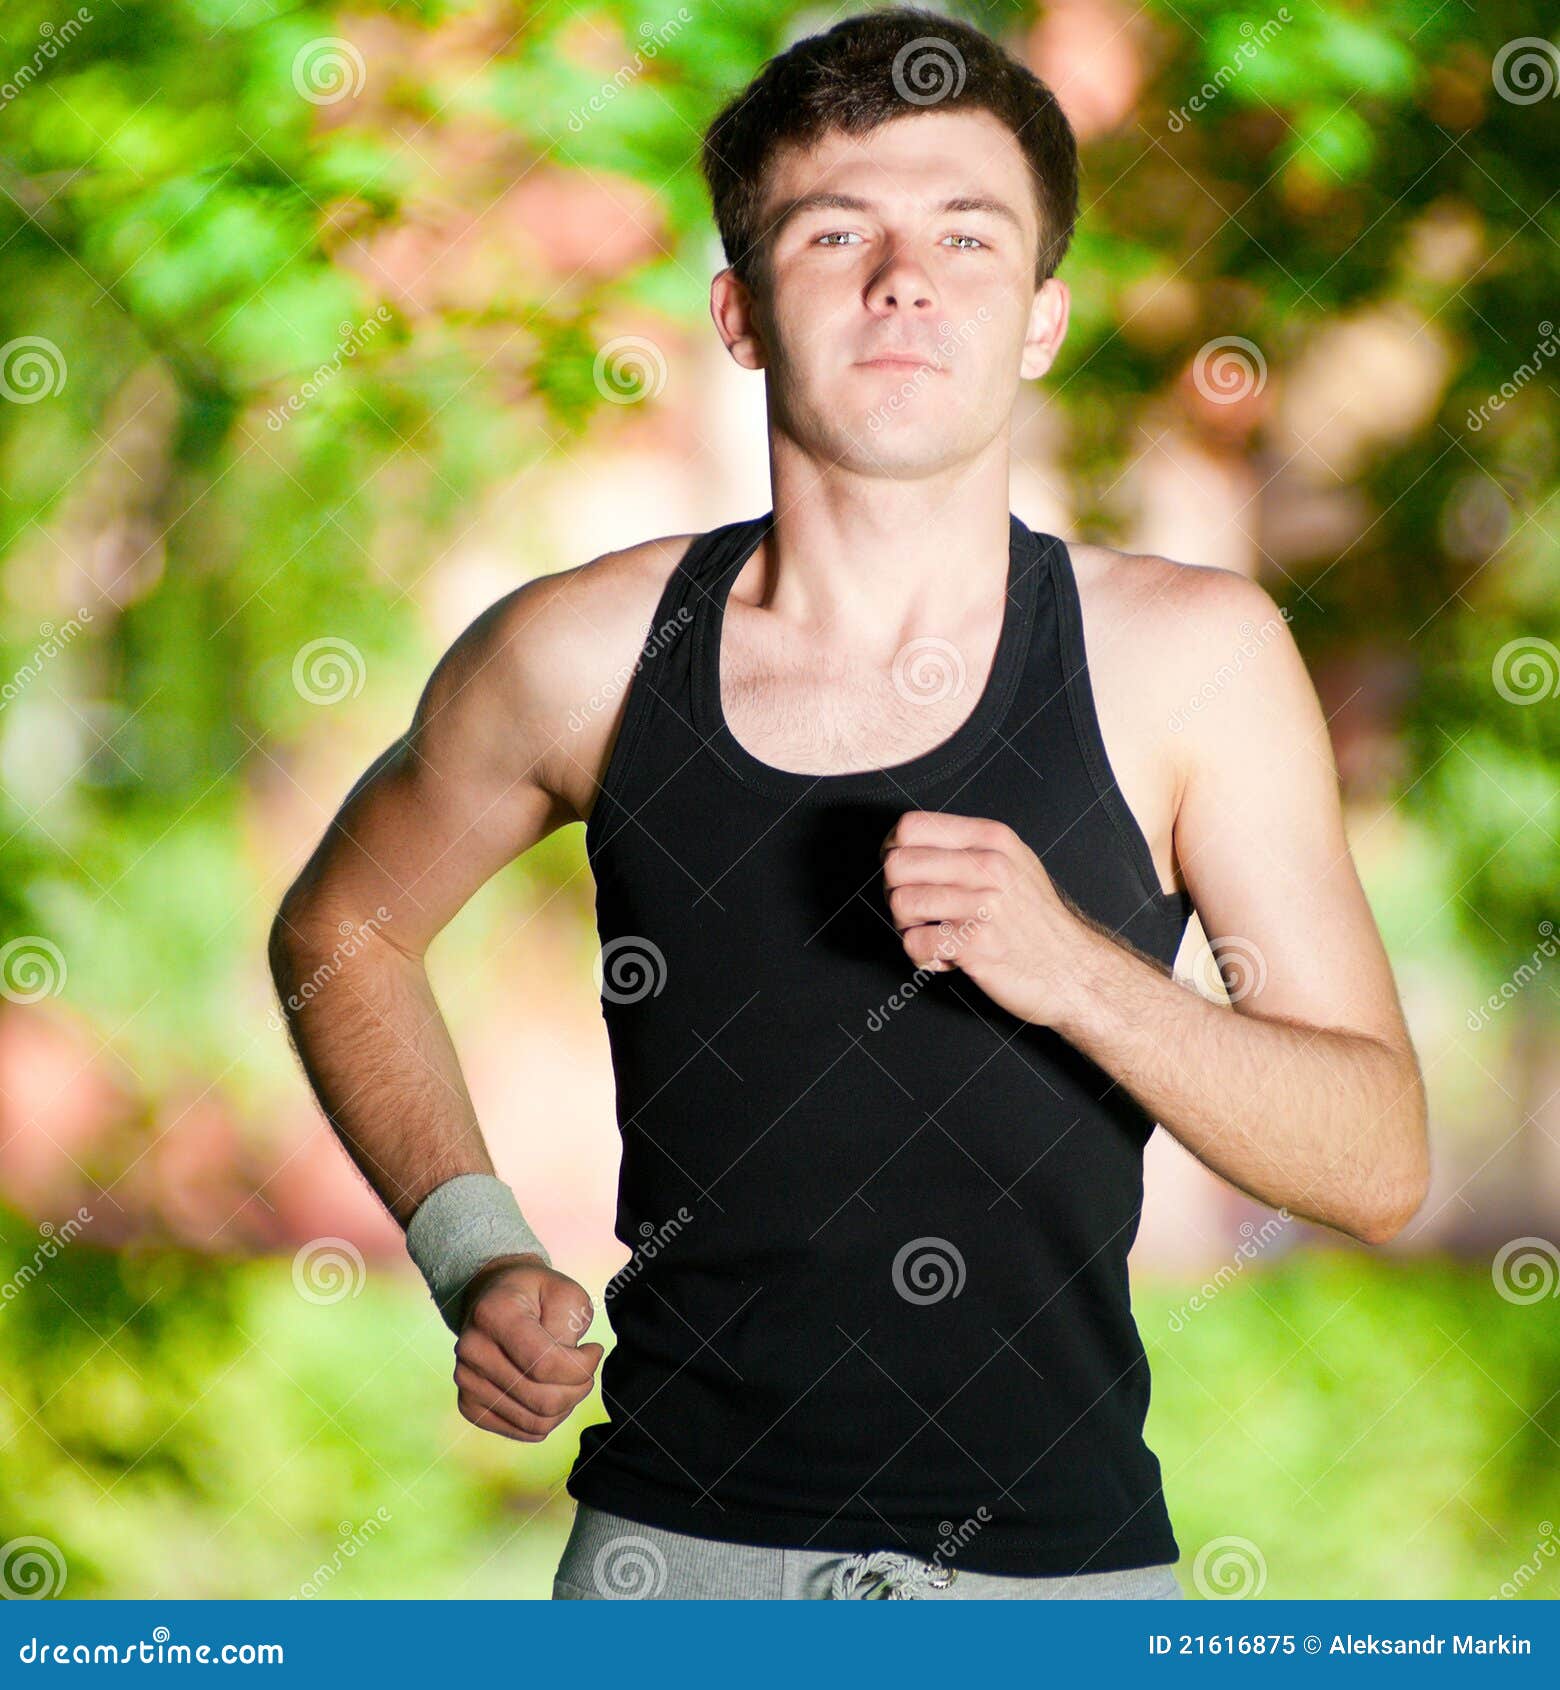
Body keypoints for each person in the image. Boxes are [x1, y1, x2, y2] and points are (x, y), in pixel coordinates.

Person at [269, 7, 1430, 1602]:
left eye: (969, 233)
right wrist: (474, 1246)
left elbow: (1375, 1158)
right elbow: (345, 925)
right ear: (739, 314)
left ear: (1039, 317)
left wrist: (1078, 966)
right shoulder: (583, 652)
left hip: (1062, 1580)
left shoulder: (1191, 658)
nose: (907, 278)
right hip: (670, 1566)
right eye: (839, 232)